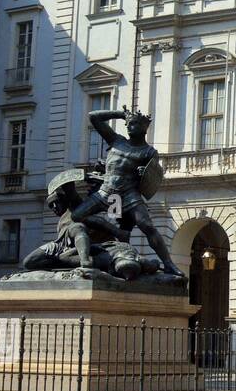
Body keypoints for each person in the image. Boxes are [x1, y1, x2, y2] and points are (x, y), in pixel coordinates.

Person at [69, 107, 185, 278]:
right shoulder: (116, 140)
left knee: (147, 226)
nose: (129, 126)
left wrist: (142, 175)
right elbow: (93, 117)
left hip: (129, 193)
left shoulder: (149, 152)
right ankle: (113, 234)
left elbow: (152, 180)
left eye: (134, 123)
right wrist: (120, 114)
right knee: (77, 216)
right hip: (106, 191)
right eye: (128, 124)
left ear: (144, 128)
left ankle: (168, 264)